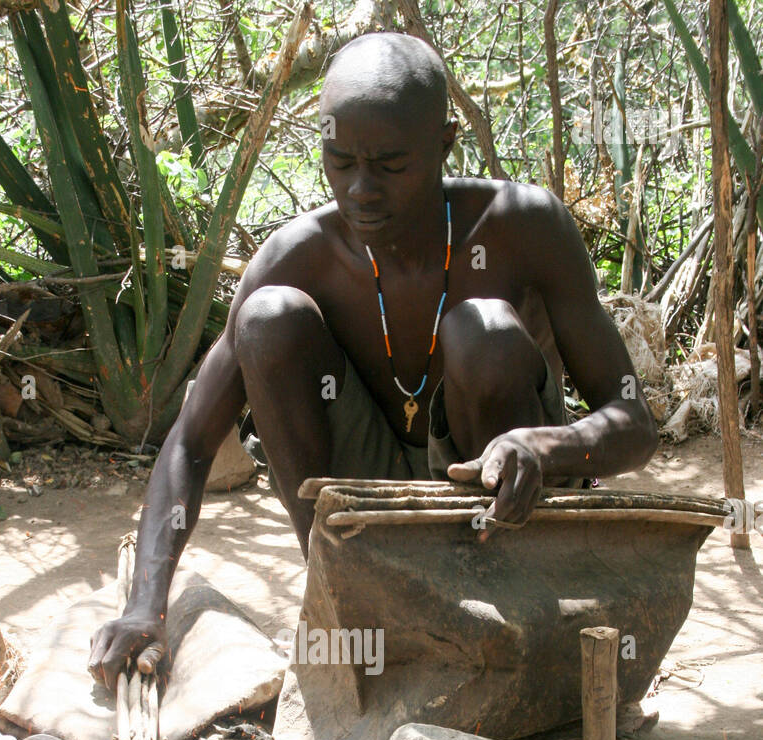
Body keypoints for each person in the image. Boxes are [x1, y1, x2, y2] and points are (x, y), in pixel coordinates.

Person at [89, 31, 657, 691]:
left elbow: (635, 421)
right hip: (370, 507)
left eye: (390, 165)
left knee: (484, 333)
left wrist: (547, 445)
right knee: (267, 320)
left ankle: (509, 609)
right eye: (339, 161)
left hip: (500, 501)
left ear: (445, 144)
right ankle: (345, 599)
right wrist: (145, 605)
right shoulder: (301, 256)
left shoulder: (521, 225)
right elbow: (189, 443)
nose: (361, 190)